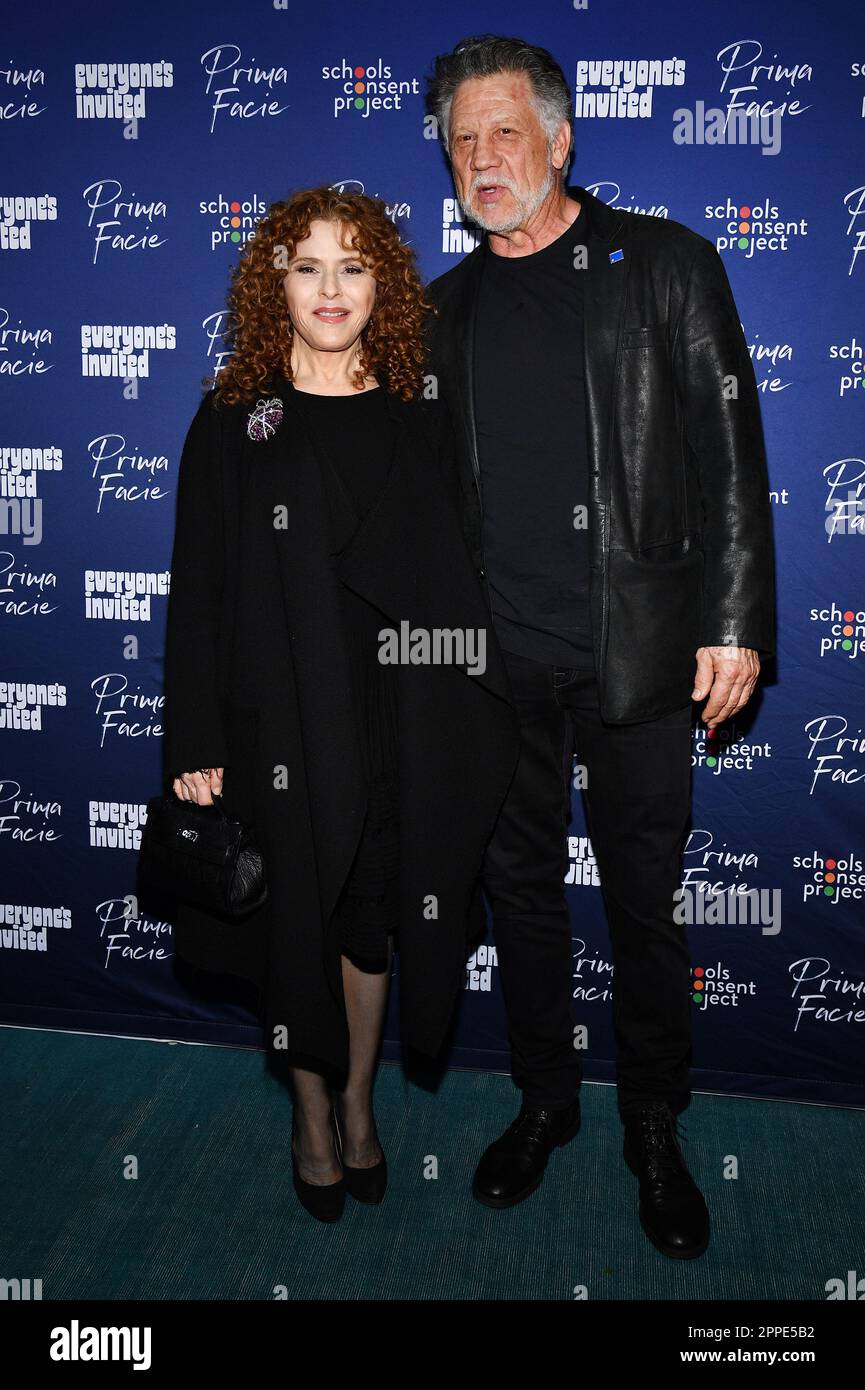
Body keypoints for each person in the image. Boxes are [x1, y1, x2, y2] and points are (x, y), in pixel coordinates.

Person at [423, 35, 776, 1257]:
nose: (482, 158)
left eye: (504, 132)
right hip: (495, 670)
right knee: (519, 898)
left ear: (561, 141)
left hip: (642, 658)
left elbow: (731, 456)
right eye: (461, 141)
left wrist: (734, 621)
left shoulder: (664, 264)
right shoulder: (442, 310)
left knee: (642, 905)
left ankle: (654, 1123)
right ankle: (545, 1101)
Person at [159, 186, 519, 1222]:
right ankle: (310, 1117)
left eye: (353, 267)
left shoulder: (419, 408)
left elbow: (459, 571)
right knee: (297, 923)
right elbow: (199, 585)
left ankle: (358, 1099)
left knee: (369, 925)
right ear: (274, 284)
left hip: (397, 714)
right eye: (307, 266)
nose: (329, 288)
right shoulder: (235, 415)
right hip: (278, 719)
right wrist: (194, 736)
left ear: (382, 286)